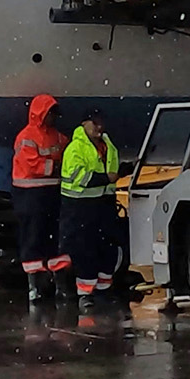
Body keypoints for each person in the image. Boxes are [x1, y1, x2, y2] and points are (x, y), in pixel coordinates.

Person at [60, 111, 122, 309]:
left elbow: (112, 170)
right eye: (94, 124)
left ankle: (104, 289)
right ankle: (85, 294)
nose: (99, 128)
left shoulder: (108, 145)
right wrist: (108, 179)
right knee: (85, 251)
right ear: (84, 124)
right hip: (81, 207)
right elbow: (78, 178)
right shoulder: (75, 148)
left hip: (104, 204)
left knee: (107, 248)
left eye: (100, 123)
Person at [13, 94, 70, 302]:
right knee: (33, 238)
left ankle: (58, 284)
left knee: (55, 239)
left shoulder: (58, 137)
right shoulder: (26, 137)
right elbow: (33, 165)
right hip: (31, 196)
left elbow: (66, 154)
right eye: (51, 113)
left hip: (50, 193)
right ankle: (34, 286)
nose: (53, 118)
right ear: (41, 114)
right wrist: (57, 167)